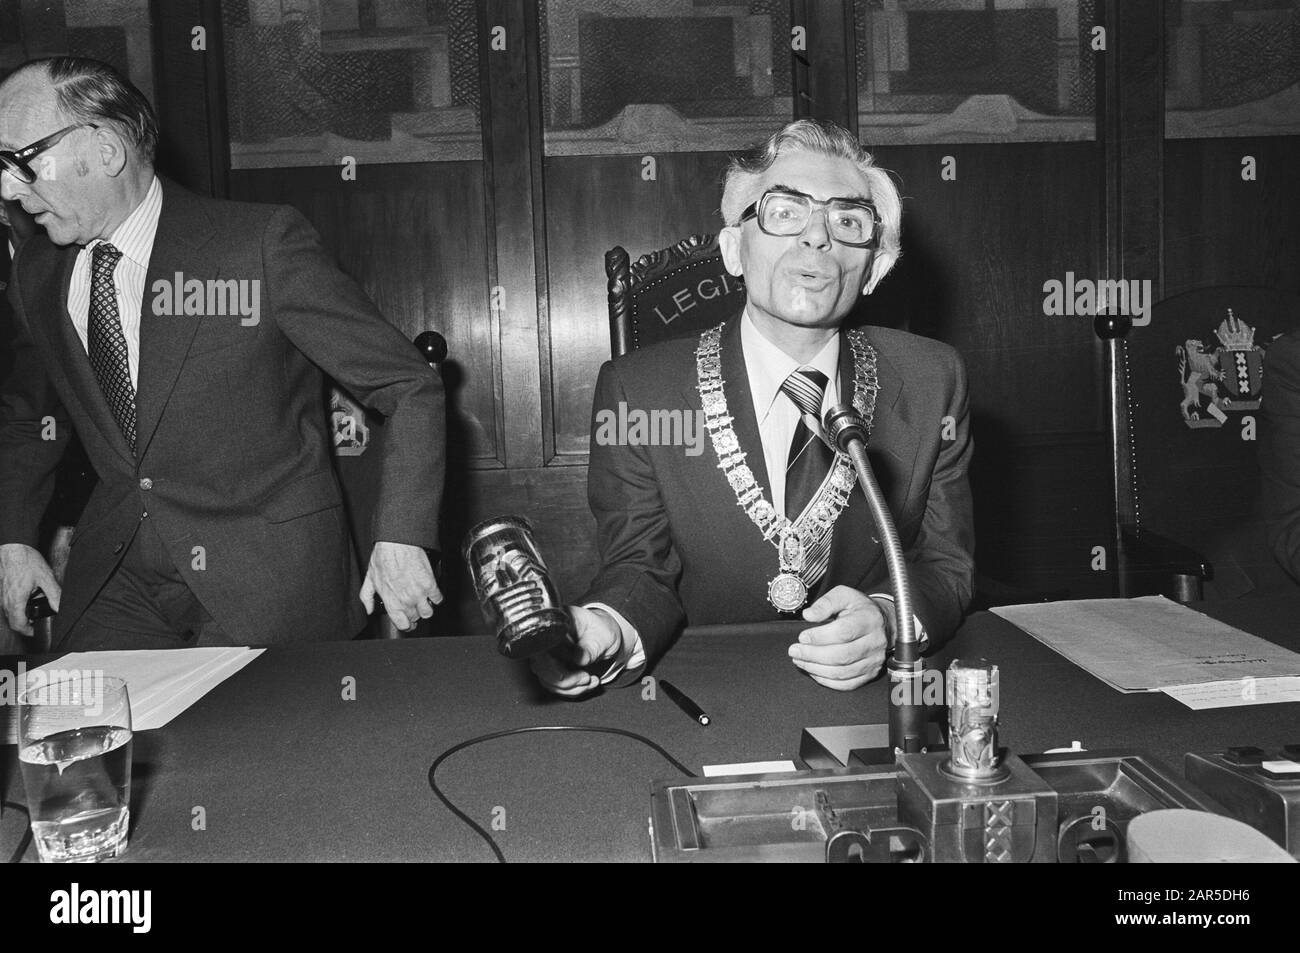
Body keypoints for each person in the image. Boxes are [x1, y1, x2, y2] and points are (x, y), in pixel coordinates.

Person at [0, 57, 444, 649]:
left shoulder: (258, 245)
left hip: (268, 578)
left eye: (21, 161)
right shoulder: (35, 270)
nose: (7, 188)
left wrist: (402, 536)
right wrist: (12, 536)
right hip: (115, 579)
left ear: (104, 149)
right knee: (77, 730)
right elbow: (31, 419)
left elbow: (409, 386)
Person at [533, 119, 974, 696]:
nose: (817, 236)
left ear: (874, 269)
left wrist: (889, 619)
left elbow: (945, 567)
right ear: (734, 249)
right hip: (706, 695)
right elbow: (640, 568)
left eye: (847, 220)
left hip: (869, 698)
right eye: (785, 211)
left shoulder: (931, 379)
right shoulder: (637, 391)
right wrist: (608, 627)